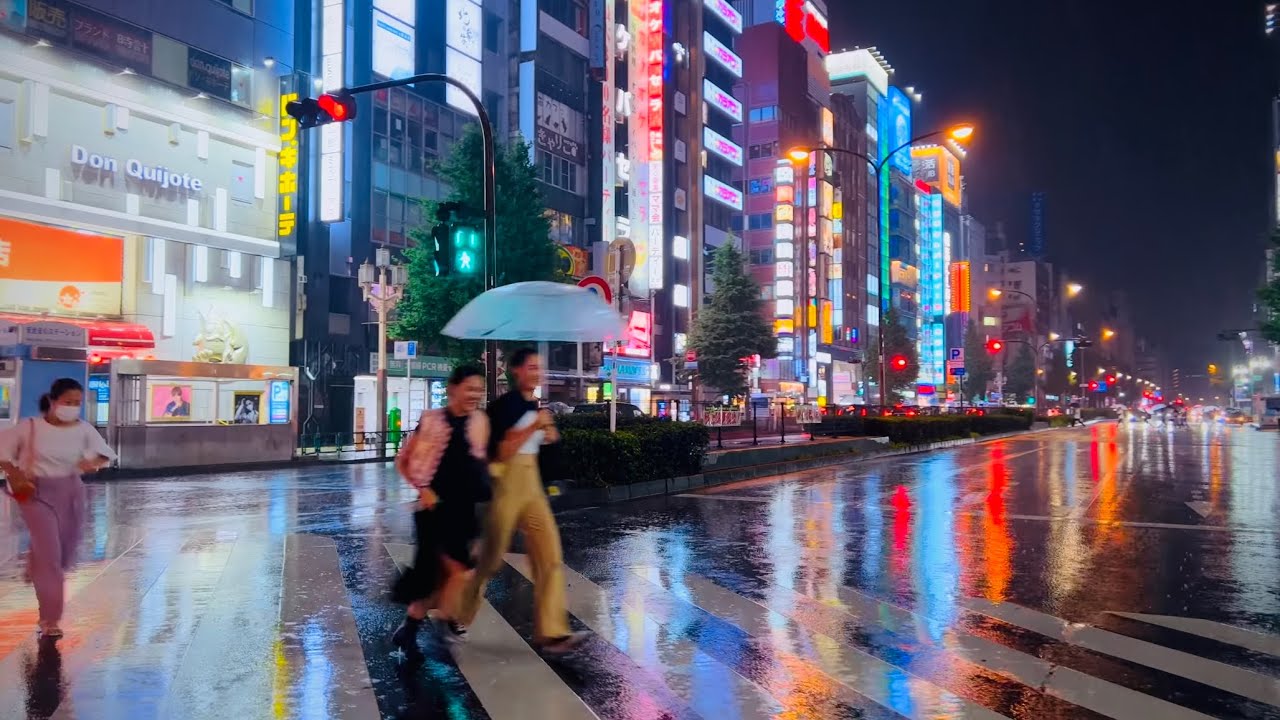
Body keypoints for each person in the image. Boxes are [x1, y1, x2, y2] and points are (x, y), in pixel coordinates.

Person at [457, 349, 587, 655]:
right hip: (506, 485)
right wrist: (534, 425)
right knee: (489, 560)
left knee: (550, 555)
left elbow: (540, 448)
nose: (537, 372)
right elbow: (500, 452)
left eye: (539, 367)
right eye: (531, 367)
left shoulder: (534, 406)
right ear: (516, 371)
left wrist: (549, 433)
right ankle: (456, 615)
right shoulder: (504, 406)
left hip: (532, 487)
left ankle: (552, 633)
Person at [0, 378, 115, 639]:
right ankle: (50, 619)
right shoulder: (30, 427)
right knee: (50, 558)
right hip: (36, 494)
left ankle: (34, 558)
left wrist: (92, 463)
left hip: (71, 492)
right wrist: (14, 473)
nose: (72, 408)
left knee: (63, 554)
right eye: (67, 402)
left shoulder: (83, 429)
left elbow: (105, 454)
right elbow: (2, 450)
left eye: (77, 403)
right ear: (53, 402)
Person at [390, 365, 491, 661]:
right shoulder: (432, 420)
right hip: (435, 509)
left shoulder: (479, 421)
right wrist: (422, 489)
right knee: (458, 570)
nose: (475, 394)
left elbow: (478, 461)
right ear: (452, 388)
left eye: (479, 389)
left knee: (438, 577)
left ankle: (410, 628)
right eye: (469, 388)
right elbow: (404, 459)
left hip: (464, 507)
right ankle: (443, 628)